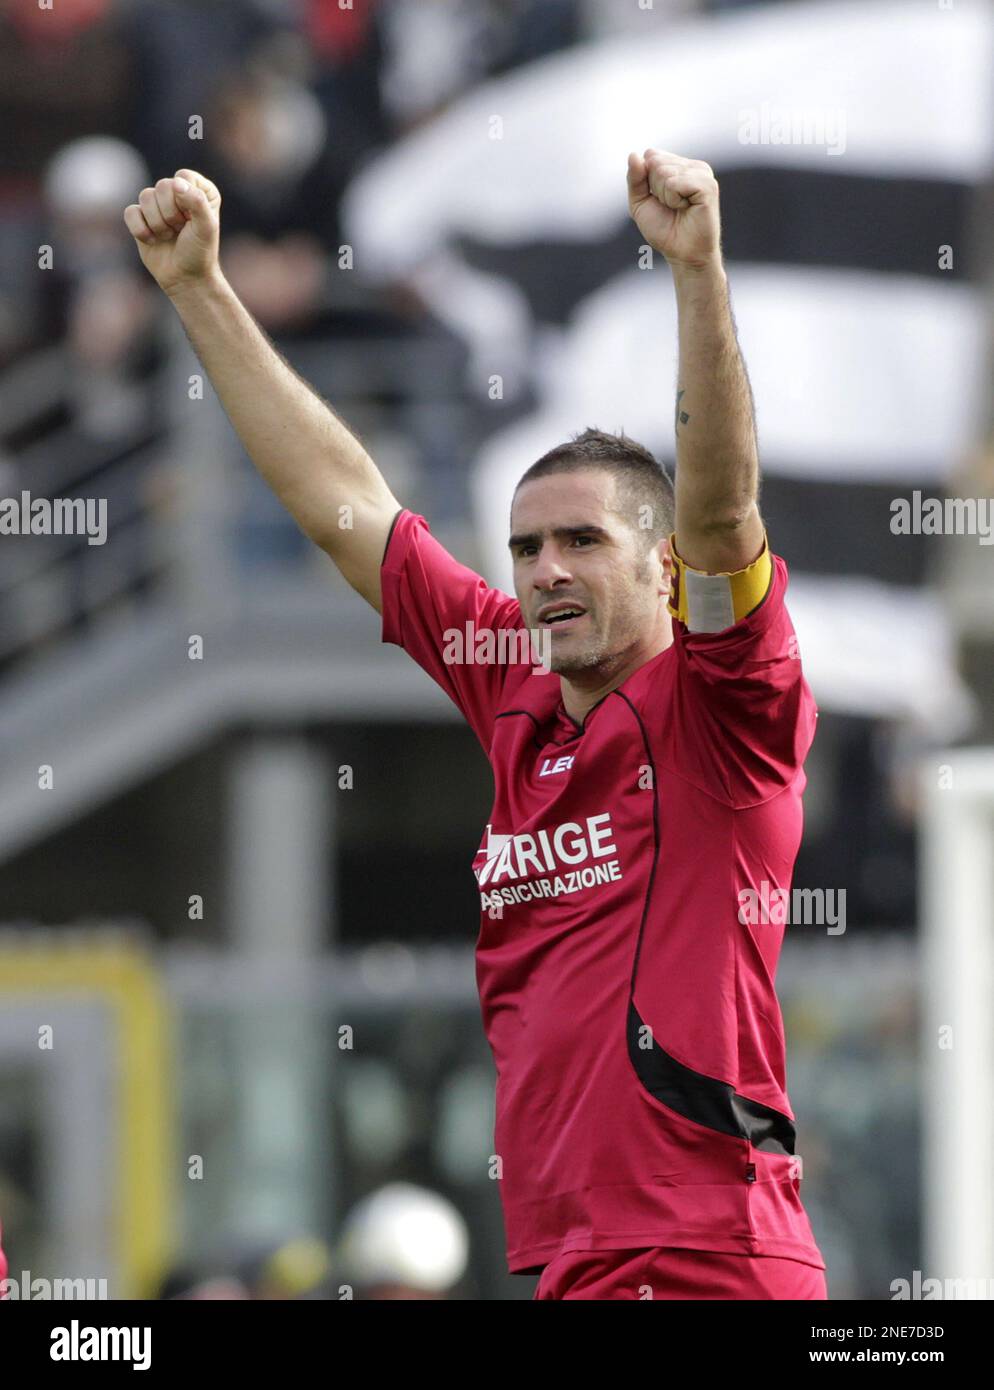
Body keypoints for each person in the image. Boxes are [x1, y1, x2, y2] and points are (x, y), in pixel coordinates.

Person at [121, 149, 827, 1300]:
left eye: (583, 543)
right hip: (559, 1253)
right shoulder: (511, 682)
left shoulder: (723, 705)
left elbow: (721, 506)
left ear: (664, 569)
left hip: (704, 1255)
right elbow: (345, 506)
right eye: (526, 547)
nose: (546, 571)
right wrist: (201, 287)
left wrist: (696, 269)